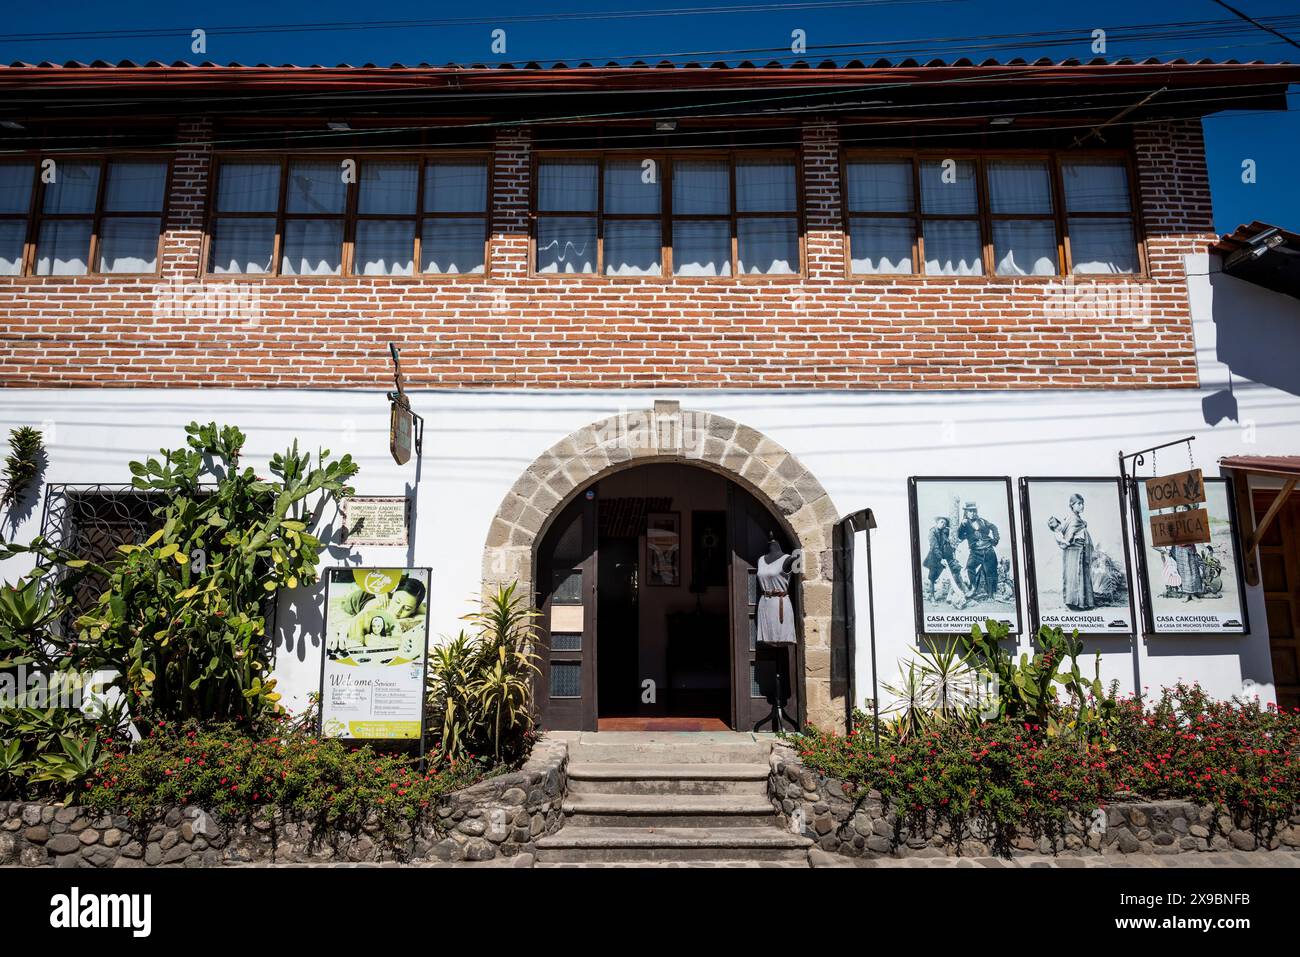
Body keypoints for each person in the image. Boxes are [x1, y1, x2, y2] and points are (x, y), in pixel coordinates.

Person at [1052, 493, 1095, 611]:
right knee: (1075, 574)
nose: (1082, 506)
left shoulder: (1076, 518)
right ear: (1072, 505)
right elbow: (1068, 535)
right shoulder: (1073, 518)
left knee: (1080, 574)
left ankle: (1083, 602)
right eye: (1079, 504)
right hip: (1075, 549)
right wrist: (1067, 542)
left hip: (1080, 548)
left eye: (1083, 503)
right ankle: (1076, 603)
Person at [957, 502, 1000, 600]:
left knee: (989, 571)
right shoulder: (965, 523)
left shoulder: (982, 521)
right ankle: (973, 588)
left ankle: (991, 595)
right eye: (969, 511)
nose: (972, 513)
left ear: (976, 512)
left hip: (988, 549)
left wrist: (995, 539)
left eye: (973, 511)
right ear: (966, 512)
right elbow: (959, 535)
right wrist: (962, 526)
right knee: (970, 567)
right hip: (975, 551)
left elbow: (994, 527)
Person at [922, 516, 965, 599]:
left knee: (956, 568)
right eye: (941, 522)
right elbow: (934, 547)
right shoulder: (932, 532)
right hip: (935, 557)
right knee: (932, 577)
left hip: (946, 557)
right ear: (937, 522)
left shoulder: (944, 532)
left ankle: (951, 594)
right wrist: (940, 559)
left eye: (945, 523)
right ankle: (932, 597)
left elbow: (948, 542)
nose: (943, 524)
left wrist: (954, 547)